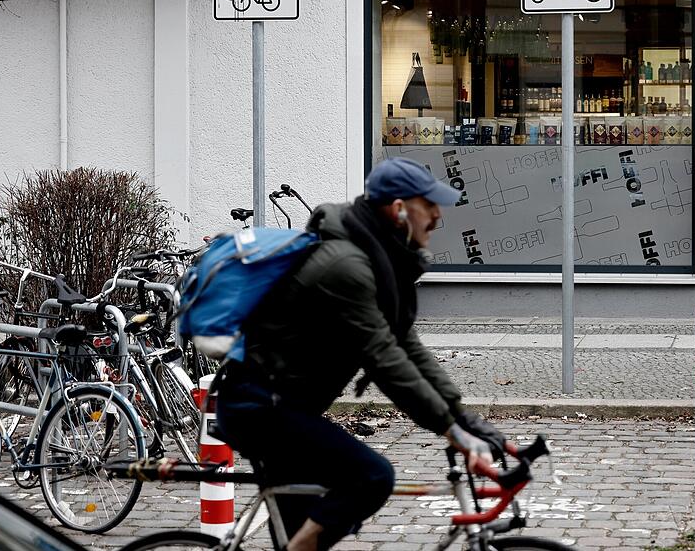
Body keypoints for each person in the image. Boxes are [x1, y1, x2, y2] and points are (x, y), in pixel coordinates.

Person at [213, 157, 507, 551]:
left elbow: (406, 345)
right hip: (262, 410)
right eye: (429, 204)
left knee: (310, 527)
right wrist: (451, 431)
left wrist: (461, 416)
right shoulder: (346, 266)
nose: (438, 216)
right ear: (398, 209)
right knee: (372, 477)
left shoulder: (377, 260)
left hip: (285, 408)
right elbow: (385, 360)